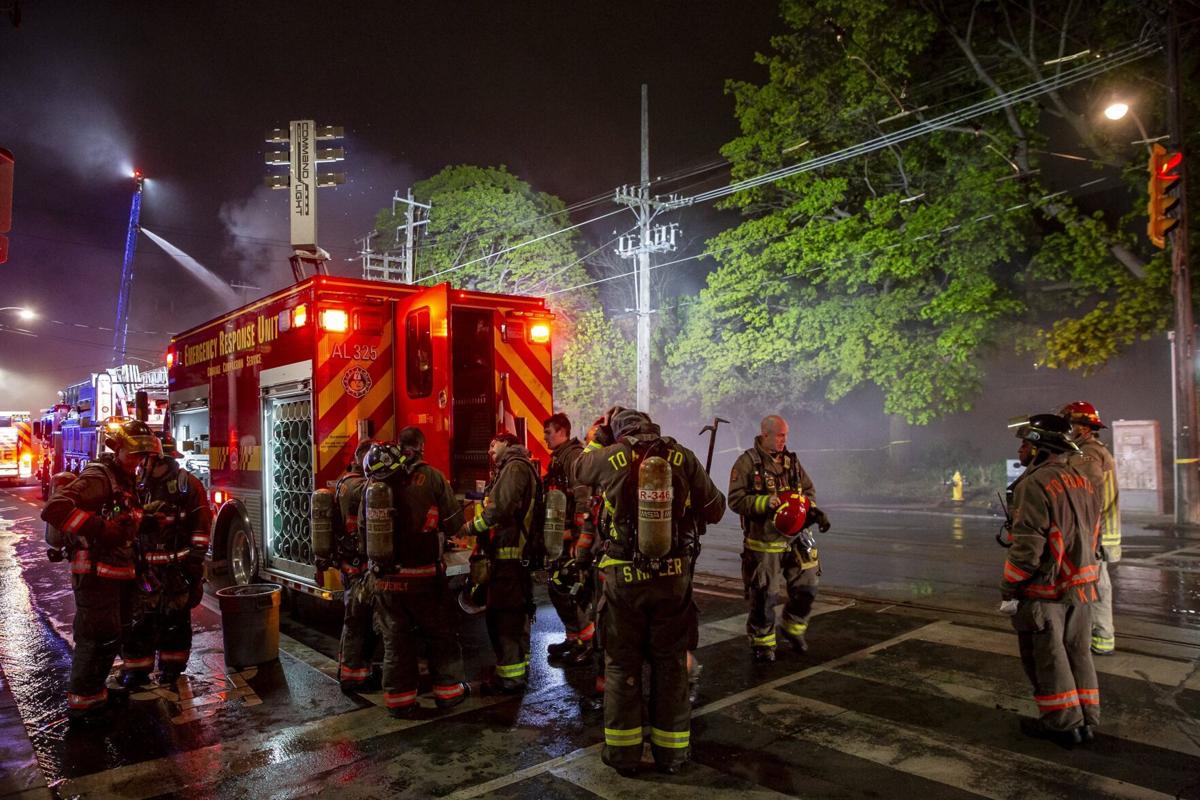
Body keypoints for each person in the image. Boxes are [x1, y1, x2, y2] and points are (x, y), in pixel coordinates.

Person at [576, 408, 726, 776]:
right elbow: (716, 509)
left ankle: (624, 755)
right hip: (673, 580)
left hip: (624, 580)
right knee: (671, 665)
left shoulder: (612, 456)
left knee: (622, 664)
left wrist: (597, 438)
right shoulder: (681, 456)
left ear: (619, 432)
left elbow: (577, 470)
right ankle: (672, 754)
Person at [41, 418, 158, 724]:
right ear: (117, 449)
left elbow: (122, 518)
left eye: (142, 456)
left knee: (111, 634)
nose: (138, 461)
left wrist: (146, 522)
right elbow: (55, 508)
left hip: (116, 573)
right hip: (95, 574)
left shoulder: (125, 479)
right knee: (96, 637)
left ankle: (96, 694)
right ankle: (83, 704)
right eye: (133, 454)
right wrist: (100, 529)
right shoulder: (98, 476)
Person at [1002, 413, 1101, 746]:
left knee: (1049, 659)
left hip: (1047, 589)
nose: (1021, 449)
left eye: (1026, 443)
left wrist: (1011, 586)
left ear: (1041, 447)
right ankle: (1086, 721)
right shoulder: (1083, 481)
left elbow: (1028, 546)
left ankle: (1061, 725)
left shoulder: (1035, 483)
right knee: (1078, 654)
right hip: (1083, 587)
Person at [363, 429, 469, 717]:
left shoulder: (373, 488)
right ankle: (448, 692)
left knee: (396, 641)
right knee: (441, 635)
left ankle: (399, 700)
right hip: (424, 578)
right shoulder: (432, 477)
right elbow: (455, 522)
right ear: (421, 447)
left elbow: (364, 536)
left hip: (386, 580)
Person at [728, 415, 830, 662]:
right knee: (764, 595)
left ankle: (793, 627)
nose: (784, 440)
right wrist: (765, 502)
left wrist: (810, 509)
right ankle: (762, 642)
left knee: (808, 584)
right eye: (780, 435)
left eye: (786, 435)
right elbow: (735, 500)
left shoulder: (791, 462)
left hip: (796, 538)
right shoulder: (746, 463)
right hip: (764, 543)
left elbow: (808, 491)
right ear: (766, 435)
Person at [121, 436, 212, 687]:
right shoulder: (136, 485)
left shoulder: (188, 486)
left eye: (143, 458)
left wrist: (194, 565)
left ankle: (172, 669)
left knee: (175, 622)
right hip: (142, 570)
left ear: (156, 458)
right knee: (139, 623)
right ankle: (137, 671)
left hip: (175, 571)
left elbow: (201, 527)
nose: (139, 463)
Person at [461, 432, 541, 694]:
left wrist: (470, 527)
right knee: (515, 616)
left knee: (504, 618)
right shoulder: (515, 467)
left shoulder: (515, 467)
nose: (489, 449)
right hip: (515, 558)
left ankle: (510, 678)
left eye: (493, 443)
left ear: (508, 442)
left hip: (510, 556)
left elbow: (499, 509)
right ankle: (518, 668)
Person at [1059, 401, 1121, 656]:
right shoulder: (1095, 450)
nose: (1065, 430)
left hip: (1093, 534)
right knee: (1099, 586)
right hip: (1100, 533)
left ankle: (1098, 638)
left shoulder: (1086, 455)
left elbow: (1084, 494)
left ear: (1082, 428)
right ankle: (1102, 638)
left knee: (1093, 589)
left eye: (1069, 425)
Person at [542, 413, 595, 667]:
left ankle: (589, 643)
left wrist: (577, 536)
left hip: (568, 538)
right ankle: (573, 638)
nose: (545, 437)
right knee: (558, 589)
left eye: (549, 432)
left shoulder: (573, 456)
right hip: (558, 536)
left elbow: (583, 496)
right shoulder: (559, 458)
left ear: (562, 431)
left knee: (572, 591)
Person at [332, 439, 376, 692]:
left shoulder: (344, 482)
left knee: (356, 618)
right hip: (357, 564)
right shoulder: (360, 486)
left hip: (349, 561)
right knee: (358, 619)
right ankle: (351, 676)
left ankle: (354, 670)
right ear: (361, 458)